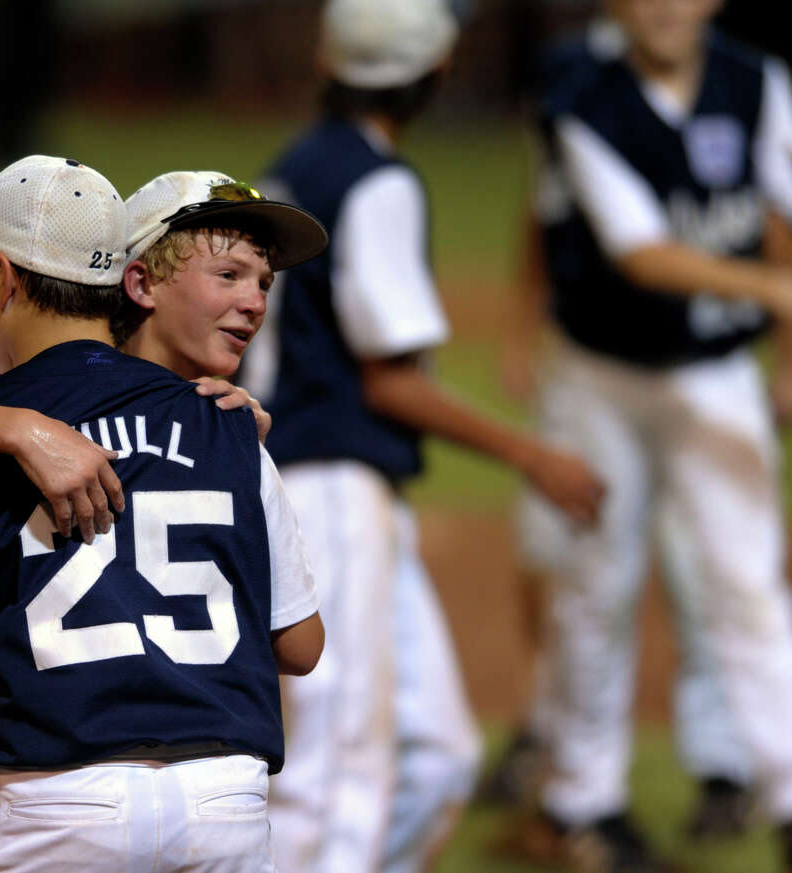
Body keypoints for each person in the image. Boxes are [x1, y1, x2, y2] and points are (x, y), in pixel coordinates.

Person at [0, 156, 329, 873]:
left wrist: (13, 428)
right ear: (130, 282)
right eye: (227, 275)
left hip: (46, 794)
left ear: (1, 275)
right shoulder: (227, 430)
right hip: (221, 799)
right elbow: (300, 643)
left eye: (262, 282)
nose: (251, 301)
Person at [490, 2, 792, 871]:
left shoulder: (755, 81)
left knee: (749, 579)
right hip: (600, 377)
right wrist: (786, 294)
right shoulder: (579, 91)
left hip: (715, 374)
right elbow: (638, 249)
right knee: (597, 585)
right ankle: (583, 799)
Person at [235, 1, 606, 871]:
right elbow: (389, 377)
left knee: (438, 756)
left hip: (323, 483)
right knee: (336, 767)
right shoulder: (377, 182)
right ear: (437, 74)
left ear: (328, 61)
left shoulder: (293, 166)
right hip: (324, 485)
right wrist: (534, 454)